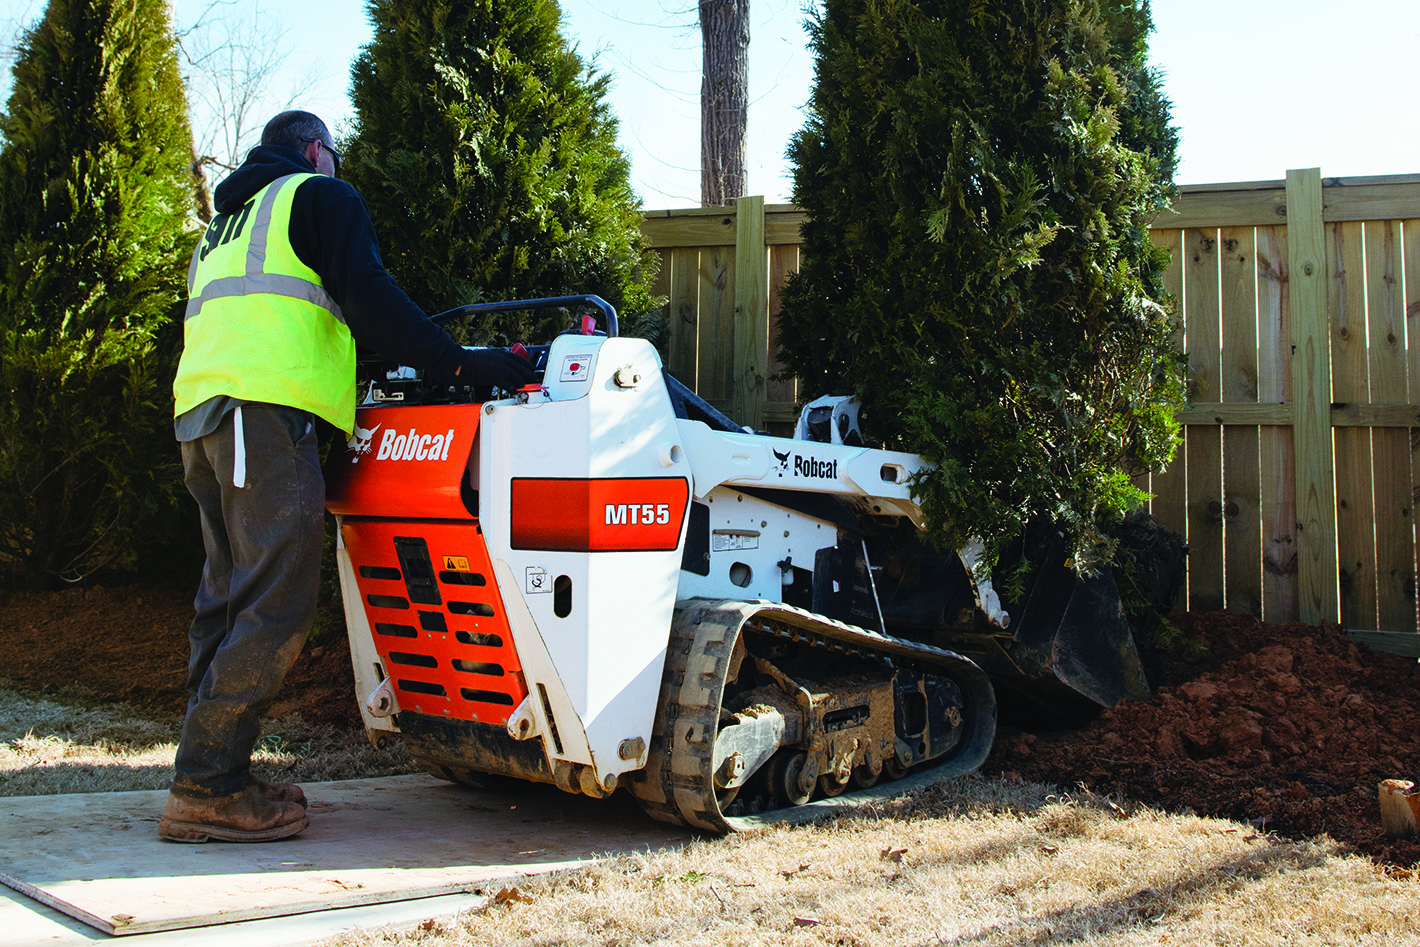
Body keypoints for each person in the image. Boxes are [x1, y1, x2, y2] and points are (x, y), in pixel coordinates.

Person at [160, 110, 533, 843]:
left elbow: (276, 318)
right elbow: (372, 299)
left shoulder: (226, 223)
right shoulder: (319, 196)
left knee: (228, 596)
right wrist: (458, 364)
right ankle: (208, 784)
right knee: (275, 602)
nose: (338, 163)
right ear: (312, 150)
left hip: (203, 416)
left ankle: (205, 769)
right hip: (264, 416)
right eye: (333, 151)